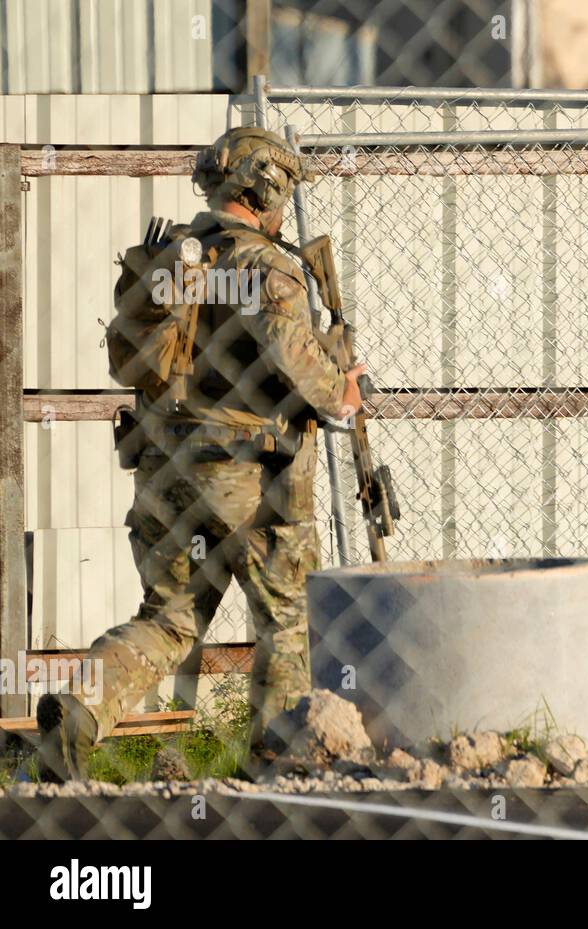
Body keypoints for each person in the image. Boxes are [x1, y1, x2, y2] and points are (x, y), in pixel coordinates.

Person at [37, 127, 365, 781]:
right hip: (248, 477)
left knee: (168, 618)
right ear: (264, 185)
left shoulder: (173, 260)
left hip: (164, 472)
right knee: (287, 615)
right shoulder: (262, 265)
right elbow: (296, 363)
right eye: (283, 189)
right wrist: (344, 391)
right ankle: (279, 763)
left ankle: (78, 711)